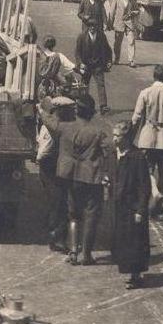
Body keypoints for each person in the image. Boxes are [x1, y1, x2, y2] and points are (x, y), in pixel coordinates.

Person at [38, 94, 109, 266]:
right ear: (92, 112)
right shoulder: (98, 132)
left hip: (70, 176)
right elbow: (110, 151)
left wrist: (42, 109)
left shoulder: (64, 128)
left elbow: (49, 121)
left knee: (73, 215)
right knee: (91, 215)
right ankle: (86, 255)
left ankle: (73, 252)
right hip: (91, 177)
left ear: (77, 111)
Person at [131, 65, 163, 221]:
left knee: (146, 171)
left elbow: (136, 117)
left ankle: (153, 193)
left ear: (154, 76)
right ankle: (158, 208)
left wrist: (131, 137)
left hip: (147, 136)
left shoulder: (145, 93)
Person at [109, 120, 151, 289]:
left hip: (132, 206)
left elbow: (144, 186)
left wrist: (140, 210)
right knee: (122, 239)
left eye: (117, 136)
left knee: (135, 241)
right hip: (118, 204)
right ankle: (129, 271)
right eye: (114, 135)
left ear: (126, 138)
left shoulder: (137, 157)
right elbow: (111, 172)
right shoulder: (114, 154)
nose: (114, 139)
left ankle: (135, 275)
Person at [37, 95, 72, 252]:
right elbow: (44, 152)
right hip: (52, 167)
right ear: (60, 111)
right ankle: (57, 238)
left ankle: (55, 234)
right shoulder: (57, 126)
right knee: (59, 203)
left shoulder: (48, 124)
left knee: (56, 202)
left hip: (48, 167)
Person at [74, 22, 113, 114]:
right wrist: (80, 63)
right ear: (88, 27)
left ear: (97, 26)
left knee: (101, 84)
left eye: (94, 26)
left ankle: (103, 106)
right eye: (90, 26)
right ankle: (84, 105)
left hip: (98, 65)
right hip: (86, 65)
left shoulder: (101, 36)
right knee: (84, 86)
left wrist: (109, 61)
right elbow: (77, 52)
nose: (92, 28)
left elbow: (108, 49)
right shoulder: (82, 36)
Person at [106, 0, 140, 68]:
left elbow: (137, 10)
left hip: (129, 24)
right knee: (117, 43)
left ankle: (131, 60)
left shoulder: (133, 0)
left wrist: (133, 13)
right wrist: (110, 24)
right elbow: (112, 12)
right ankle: (117, 59)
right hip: (119, 23)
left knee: (131, 41)